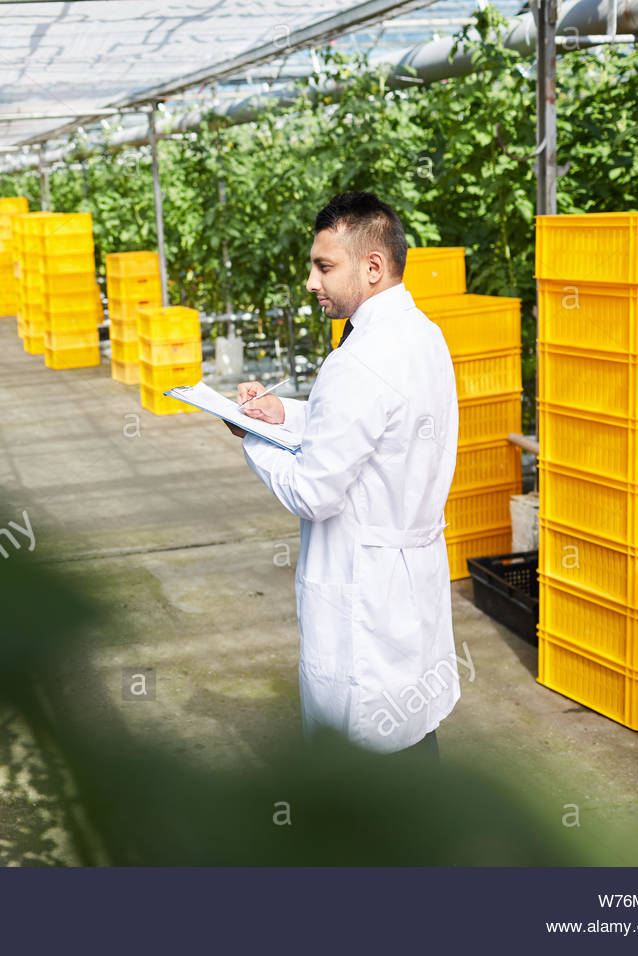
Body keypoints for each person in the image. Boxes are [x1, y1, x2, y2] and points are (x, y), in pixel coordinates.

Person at [225, 191, 459, 760]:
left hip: (365, 588)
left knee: (367, 753)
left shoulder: (357, 360)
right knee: (412, 735)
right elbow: (378, 427)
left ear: (372, 266)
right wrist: (287, 414)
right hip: (411, 573)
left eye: (324, 266)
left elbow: (312, 491)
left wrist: (253, 437)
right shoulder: (423, 335)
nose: (312, 281)